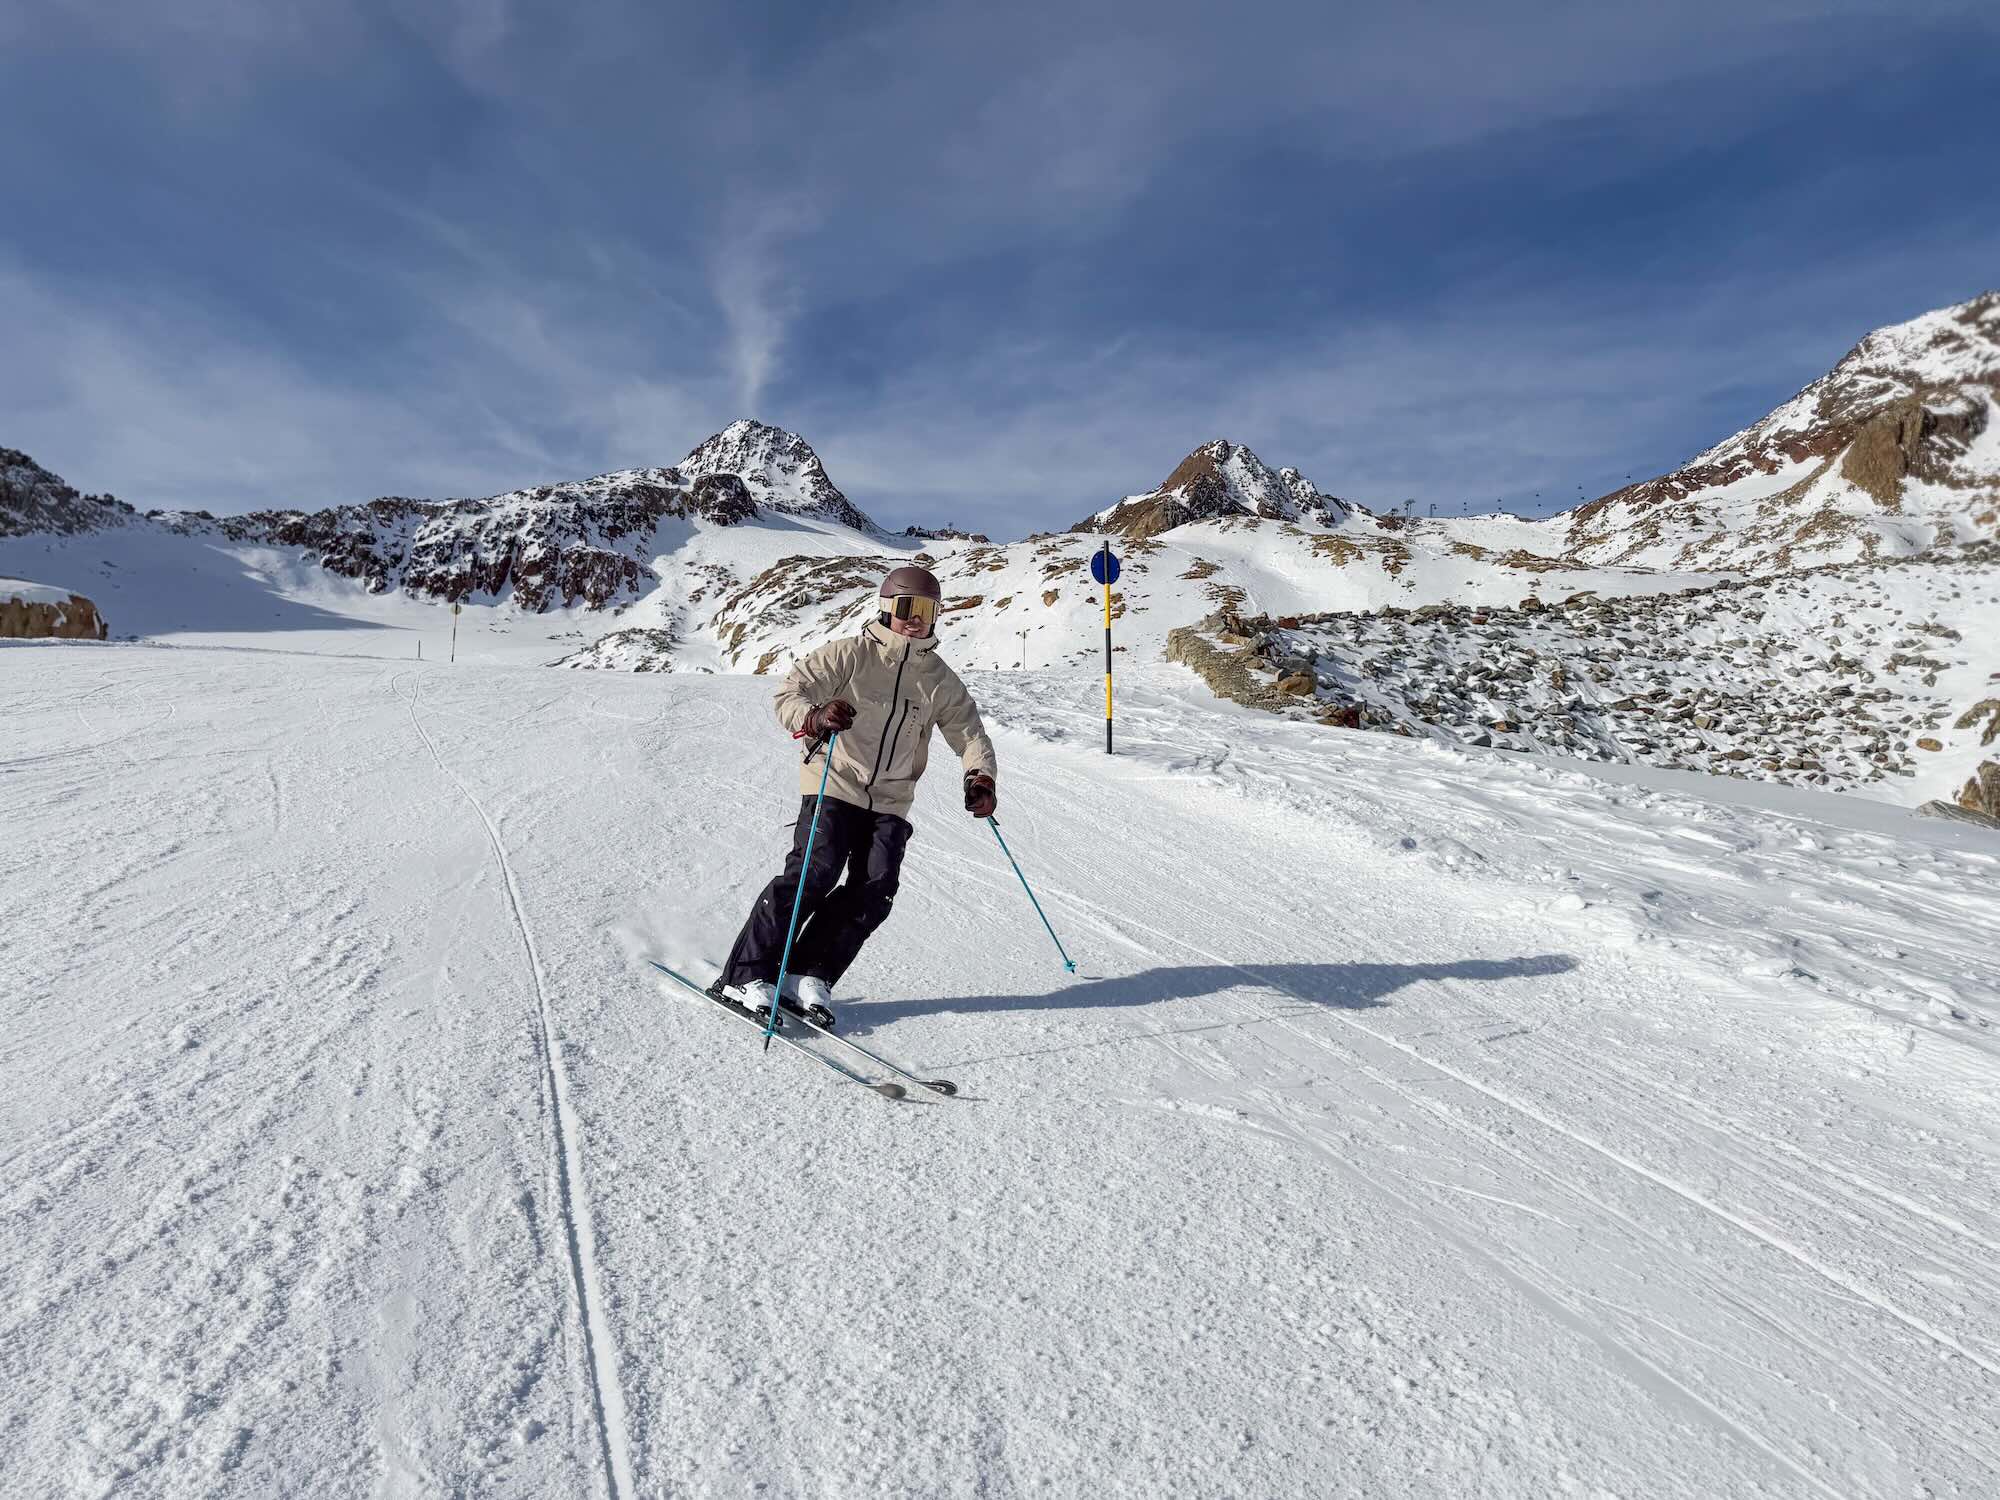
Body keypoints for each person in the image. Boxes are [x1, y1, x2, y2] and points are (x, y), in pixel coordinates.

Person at [717, 564, 998, 1025]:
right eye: (908, 607)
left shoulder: (939, 680)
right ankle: (745, 974)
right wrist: (815, 716)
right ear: (888, 607)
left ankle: (806, 974)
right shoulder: (850, 655)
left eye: (928, 610)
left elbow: (970, 734)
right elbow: (791, 692)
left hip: (891, 798)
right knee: (813, 873)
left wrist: (980, 777)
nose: (917, 618)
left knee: (875, 891)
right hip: (834, 780)